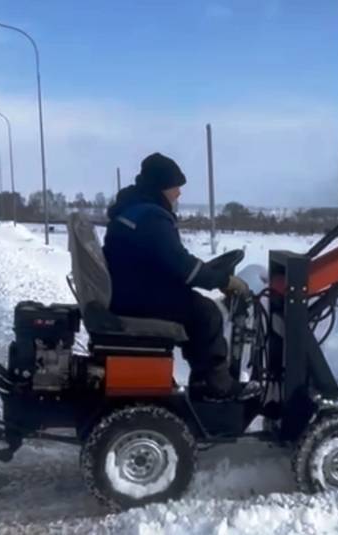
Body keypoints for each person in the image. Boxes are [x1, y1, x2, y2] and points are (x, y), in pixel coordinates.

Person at [103, 152, 260, 400]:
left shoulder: (134, 210)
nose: (178, 193)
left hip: (129, 289)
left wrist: (207, 275)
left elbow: (170, 261)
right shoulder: (151, 216)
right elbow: (182, 265)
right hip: (137, 296)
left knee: (195, 307)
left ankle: (204, 382)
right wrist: (224, 280)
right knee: (205, 313)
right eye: (175, 186)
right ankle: (216, 387)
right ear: (161, 186)